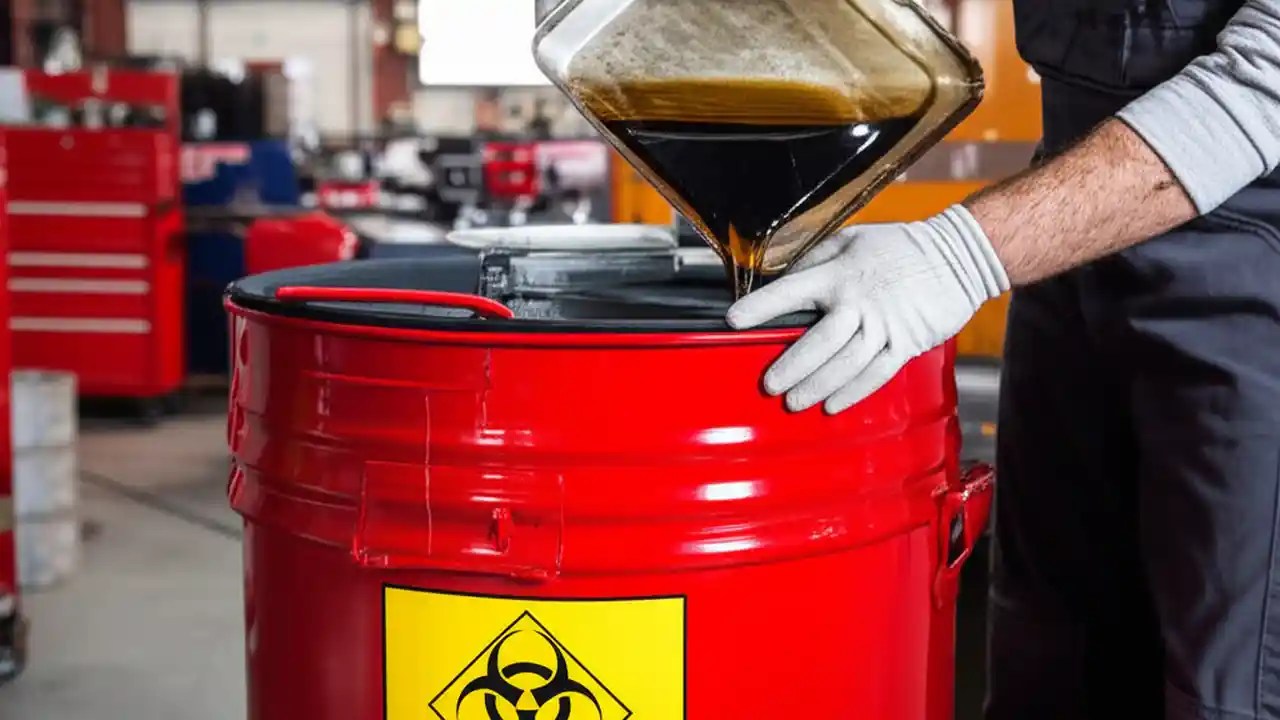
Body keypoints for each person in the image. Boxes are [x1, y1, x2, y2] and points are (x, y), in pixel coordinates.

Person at [726, 1, 1280, 718]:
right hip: (1073, 236)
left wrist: (959, 255)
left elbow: (1268, 80)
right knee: (1051, 663)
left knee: (1223, 685)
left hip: (1247, 267)